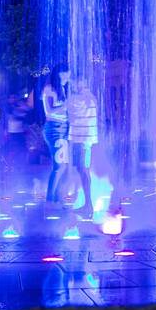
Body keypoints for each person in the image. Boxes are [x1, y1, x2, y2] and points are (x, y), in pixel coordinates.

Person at [67, 76, 98, 215]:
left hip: (82, 140)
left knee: (84, 170)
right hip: (86, 140)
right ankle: (87, 204)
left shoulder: (77, 98)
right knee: (82, 169)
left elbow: (67, 112)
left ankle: (89, 206)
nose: (71, 83)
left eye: (74, 81)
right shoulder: (91, 96)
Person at [41, 64, 70, 202]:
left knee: (63, 165)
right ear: (59, 74)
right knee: (59, 166)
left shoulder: (62, 89)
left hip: (63, 128)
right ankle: (50, 199)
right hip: (54, 129)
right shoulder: (49, 89)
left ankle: (57, 197)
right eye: (66, 74)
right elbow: (50, 111)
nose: (68, 78)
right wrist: (66, 105)